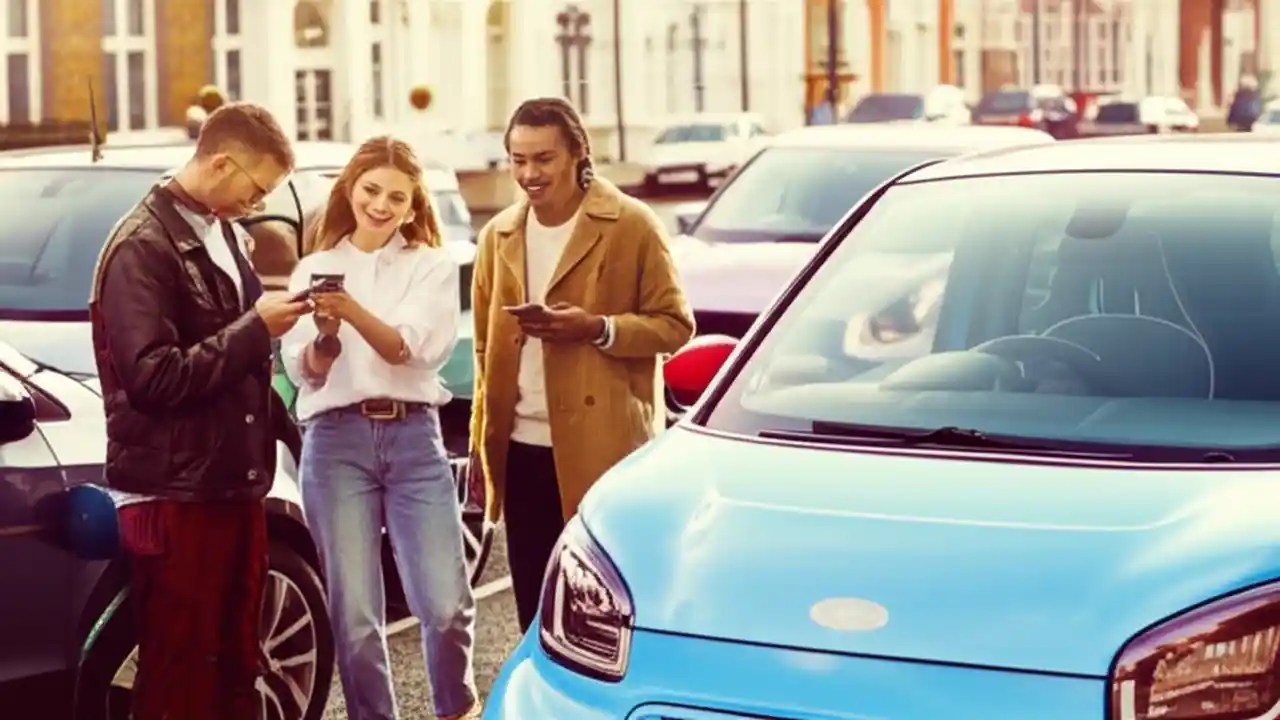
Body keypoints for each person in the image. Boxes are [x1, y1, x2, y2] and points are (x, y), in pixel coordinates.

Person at [88, 102, 307, 720]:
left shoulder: (223, 231)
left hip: (228, 484)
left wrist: (292, 432)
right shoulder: (142, 245)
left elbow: (233, 362)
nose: (256, 203)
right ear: (220, 162)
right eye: (256, 187)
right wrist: (254, 330)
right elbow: (152, 377)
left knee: (236, 658)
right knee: (181, 669)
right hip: (176, 492)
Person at [469, 97, 695, 632]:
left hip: (606, 449)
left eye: (543, 158)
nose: (529, 173)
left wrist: (597, 328)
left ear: (577, 154)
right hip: (522, 451)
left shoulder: (632, 225)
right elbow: (485, 352)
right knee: (534, 608)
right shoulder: (498, 235)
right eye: (518, 160)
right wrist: (483, 451)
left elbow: (675, 325)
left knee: (609, 611)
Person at [280, 136, 481, 720]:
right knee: (356, 618)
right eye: (371, 190)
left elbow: (408, 350)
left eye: (397, 196)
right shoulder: (314, 268)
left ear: (415, 205)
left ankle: (457, 709)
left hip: (413, 437)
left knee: (446, 606)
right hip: (335, 443)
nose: (381, 204)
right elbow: (307, 371)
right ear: (350, 190)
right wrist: (324, 337)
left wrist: (349, 311)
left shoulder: (431, 267)